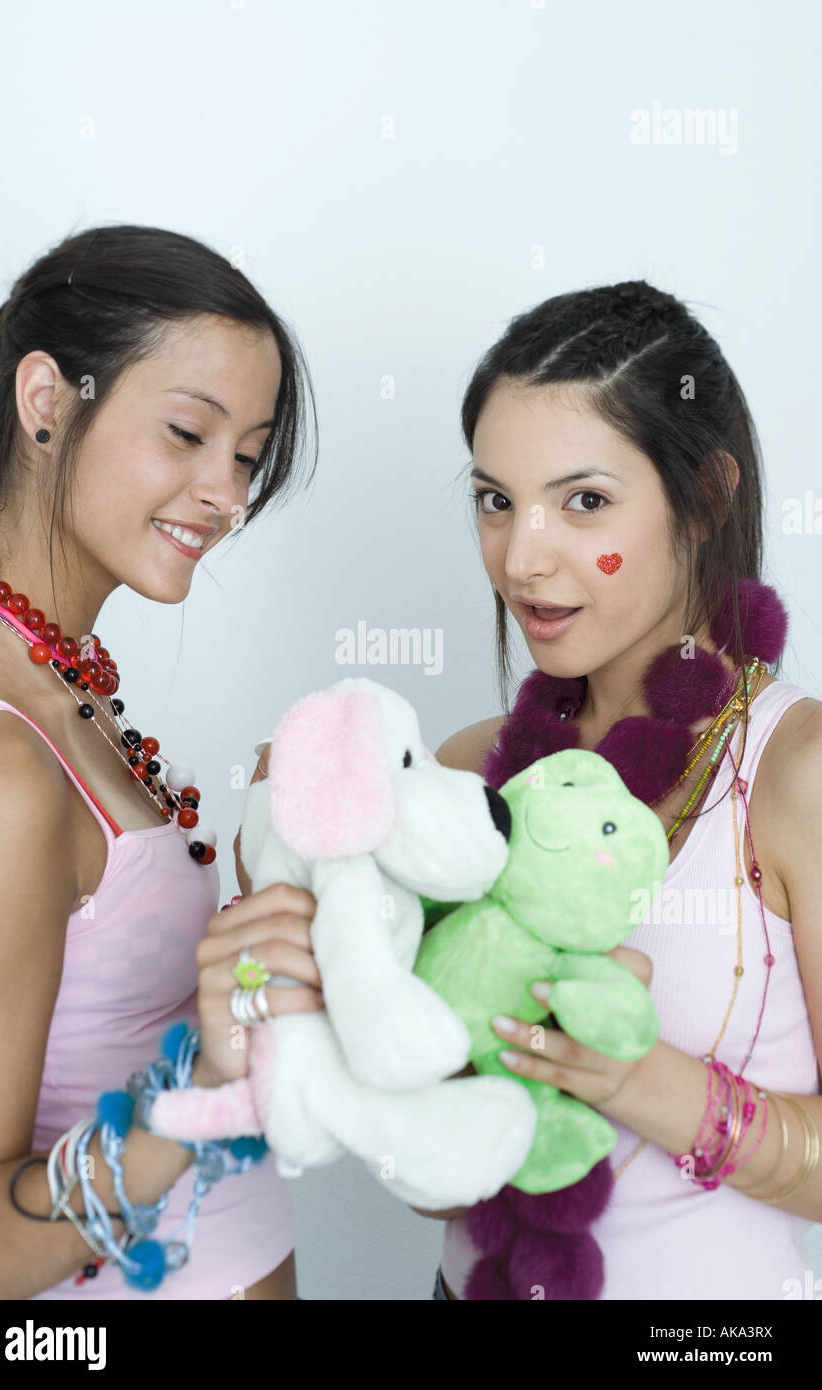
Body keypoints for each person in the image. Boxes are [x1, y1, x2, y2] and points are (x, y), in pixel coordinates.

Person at [423, 281, 822, 1299]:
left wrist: (636, 1080)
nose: (521, 555)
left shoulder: (794, 769)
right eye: (494, 499)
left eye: (584, 500)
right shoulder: (472, 775)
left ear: (706, 494)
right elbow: (435, 1181)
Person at [0, 223, 325, 1300]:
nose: (224, 492)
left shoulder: (56, 674)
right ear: (46, 401)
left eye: (247, 455)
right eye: (187, 433)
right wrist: (203, 1086)